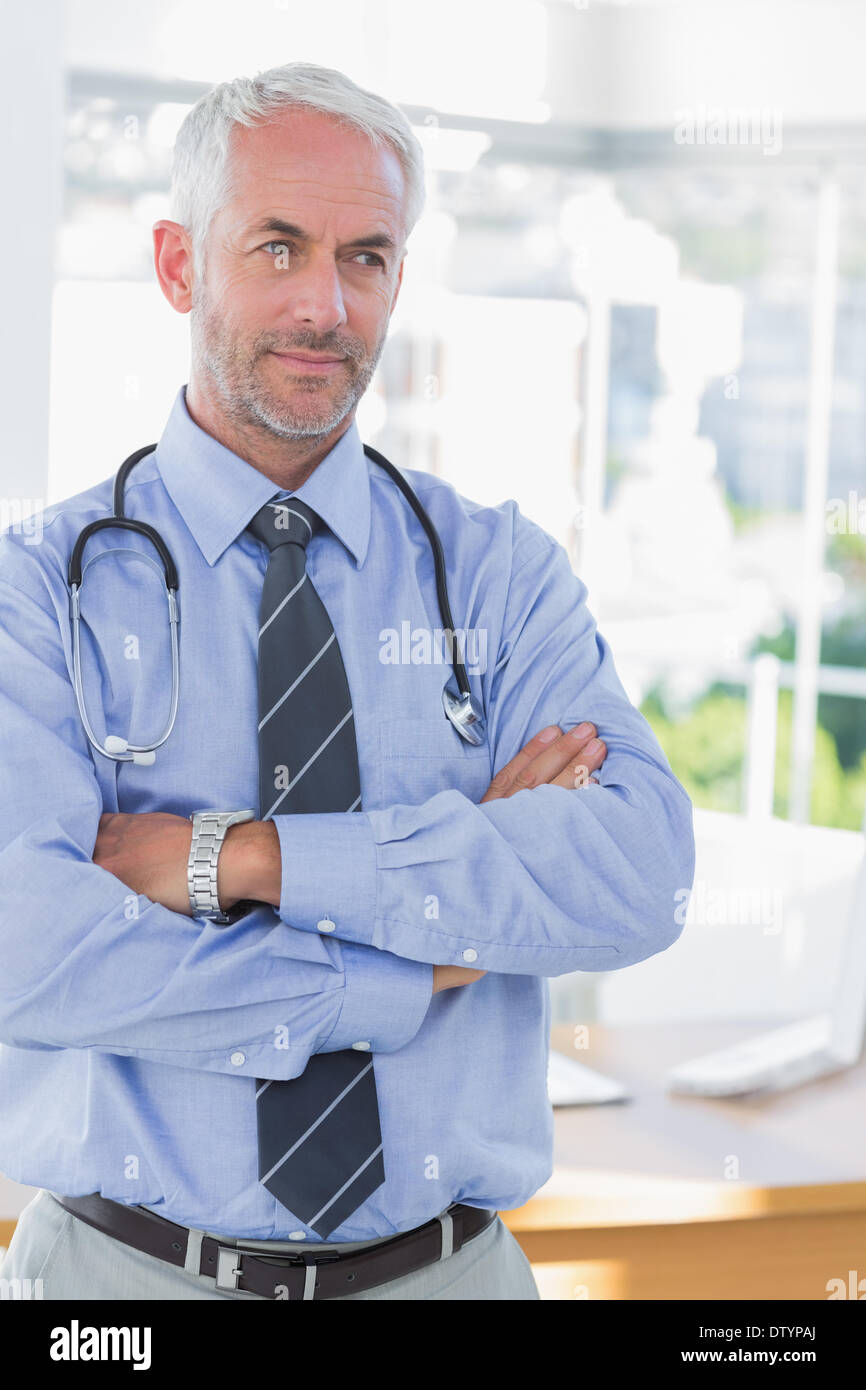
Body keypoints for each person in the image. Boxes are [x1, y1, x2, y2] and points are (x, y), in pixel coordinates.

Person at [0, 61, 695, 1301]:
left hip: (447, 1278)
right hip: (123, 1289)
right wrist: (423, 956)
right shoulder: (38, 592)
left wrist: (242, 859)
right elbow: (32, 954)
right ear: (177, 266)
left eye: (365, 256)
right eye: (277, 247)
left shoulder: (496, 575)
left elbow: (636, 872)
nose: (325, 303)